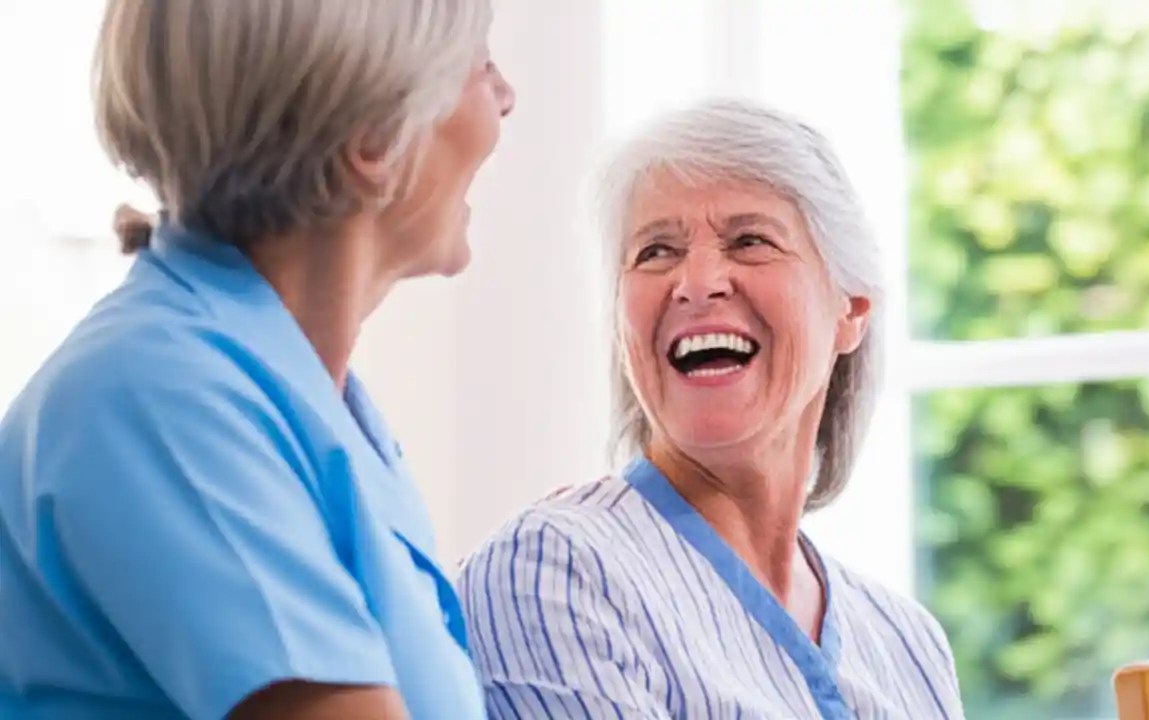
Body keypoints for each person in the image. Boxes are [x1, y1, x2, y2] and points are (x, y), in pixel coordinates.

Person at [0, 1, 513, 718]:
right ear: (374, 139)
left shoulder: (298, 397)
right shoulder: (158, 395)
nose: (505, 98)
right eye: (482, 68)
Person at [459, 99, 966, 719]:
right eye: (655, 251)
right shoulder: (555, 570)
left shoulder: (909, 644)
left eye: (751, 241)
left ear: (851, 309)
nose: (697, 282)